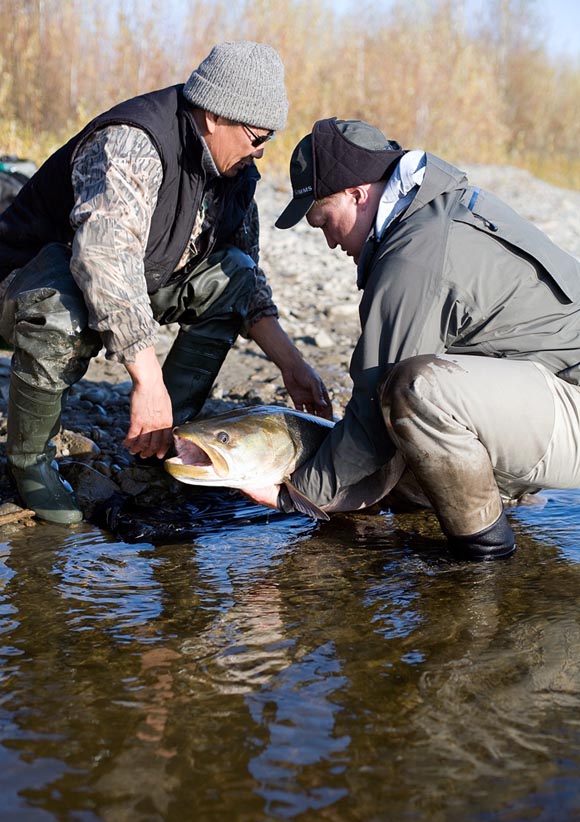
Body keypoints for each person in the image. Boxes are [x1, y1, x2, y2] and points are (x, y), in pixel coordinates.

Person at [0, 41, 331, 526]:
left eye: (268, 141)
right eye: (256, 137)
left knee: (232, 271)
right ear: (215, 116)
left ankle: (166, 437)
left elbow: (245, 283)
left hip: (138, 277)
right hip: (22, 287)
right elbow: (102, 260)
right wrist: (147, 379)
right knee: (62, 309)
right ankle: (30, 462)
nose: (260, 152)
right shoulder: (133, 141)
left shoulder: (235, 170)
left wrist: (293, 364)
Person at [242, 116, 580, 561]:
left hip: (568, 405)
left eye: (324, 220)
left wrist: (296, 493)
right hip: (547, 392)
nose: (327, 242)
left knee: (417, 390)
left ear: (358, 195)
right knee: (403, 441)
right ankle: (461, 510)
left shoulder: (414, 253)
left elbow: (373, 398)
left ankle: (483, 558)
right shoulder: (433, 209)